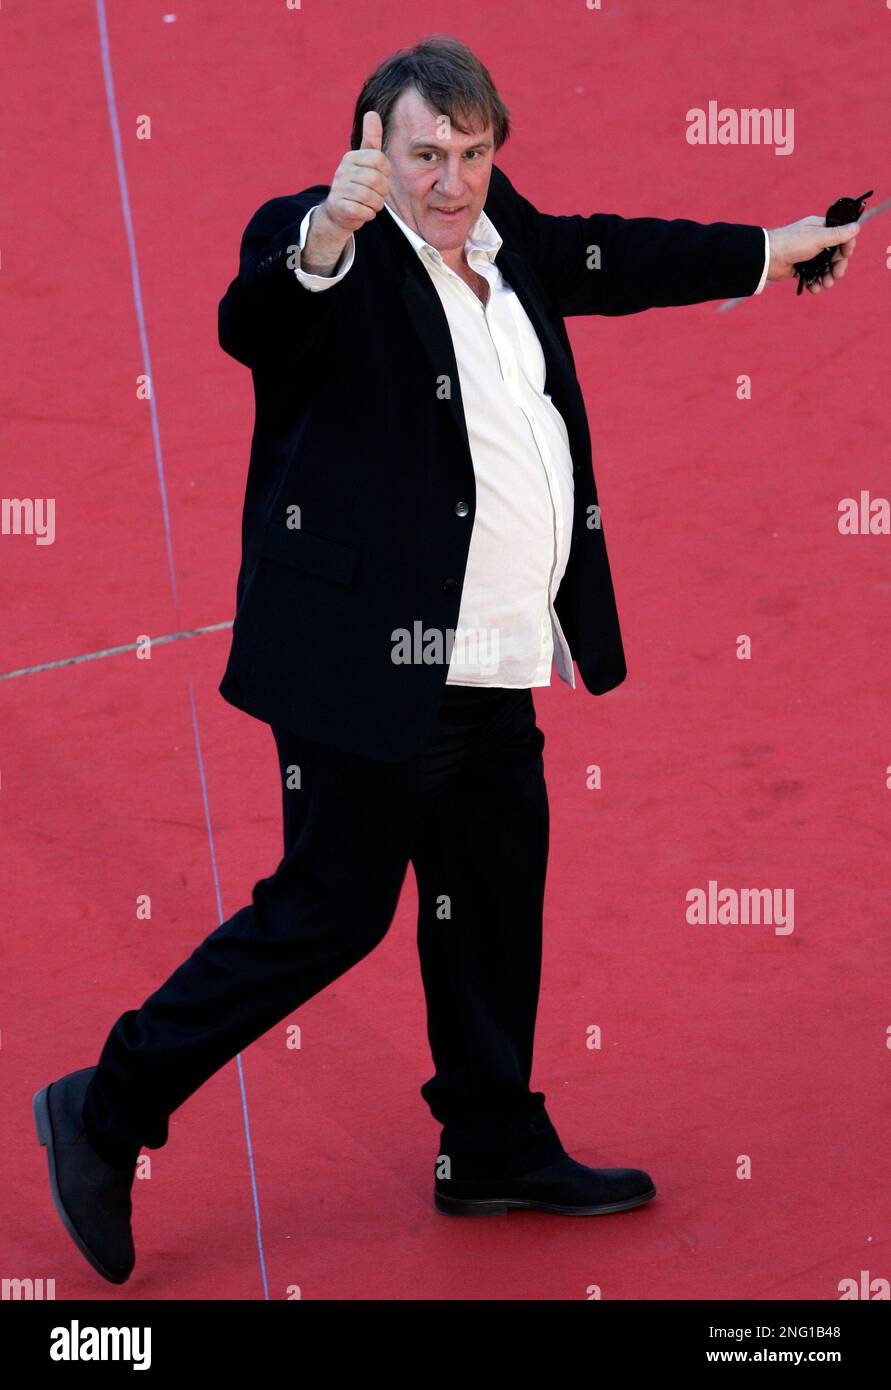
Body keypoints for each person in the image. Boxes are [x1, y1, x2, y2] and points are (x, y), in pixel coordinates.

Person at [34, 34, 861, 1285]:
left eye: (474, 154)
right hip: (366, 667)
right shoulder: (330, 237)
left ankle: (490, 1144)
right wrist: (326, 233)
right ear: (374, 140)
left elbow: (610, 252)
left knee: (492, 897)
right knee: (329, 912)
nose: (453, 180)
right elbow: (255, 321)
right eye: (427, 153)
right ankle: (106, 1103)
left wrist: (768, 248)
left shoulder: (499, 229)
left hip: (490, 661)